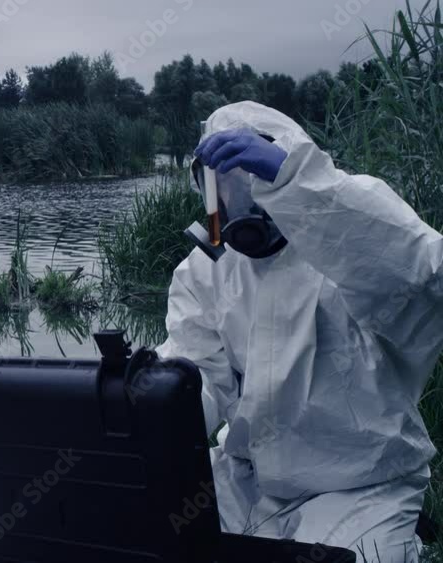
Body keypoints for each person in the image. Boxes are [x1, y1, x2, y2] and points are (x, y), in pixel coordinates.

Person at [157, 100, 443, 562]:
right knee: (137, 527)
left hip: (359, 484)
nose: (239, 198)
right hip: (245, 481)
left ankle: (405, 539)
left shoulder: (354, 222)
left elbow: (421, 274)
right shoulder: (205, 270)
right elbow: (198, 377)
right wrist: (153, 401)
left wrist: (300, 190)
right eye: (222, 183)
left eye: (253, 175)